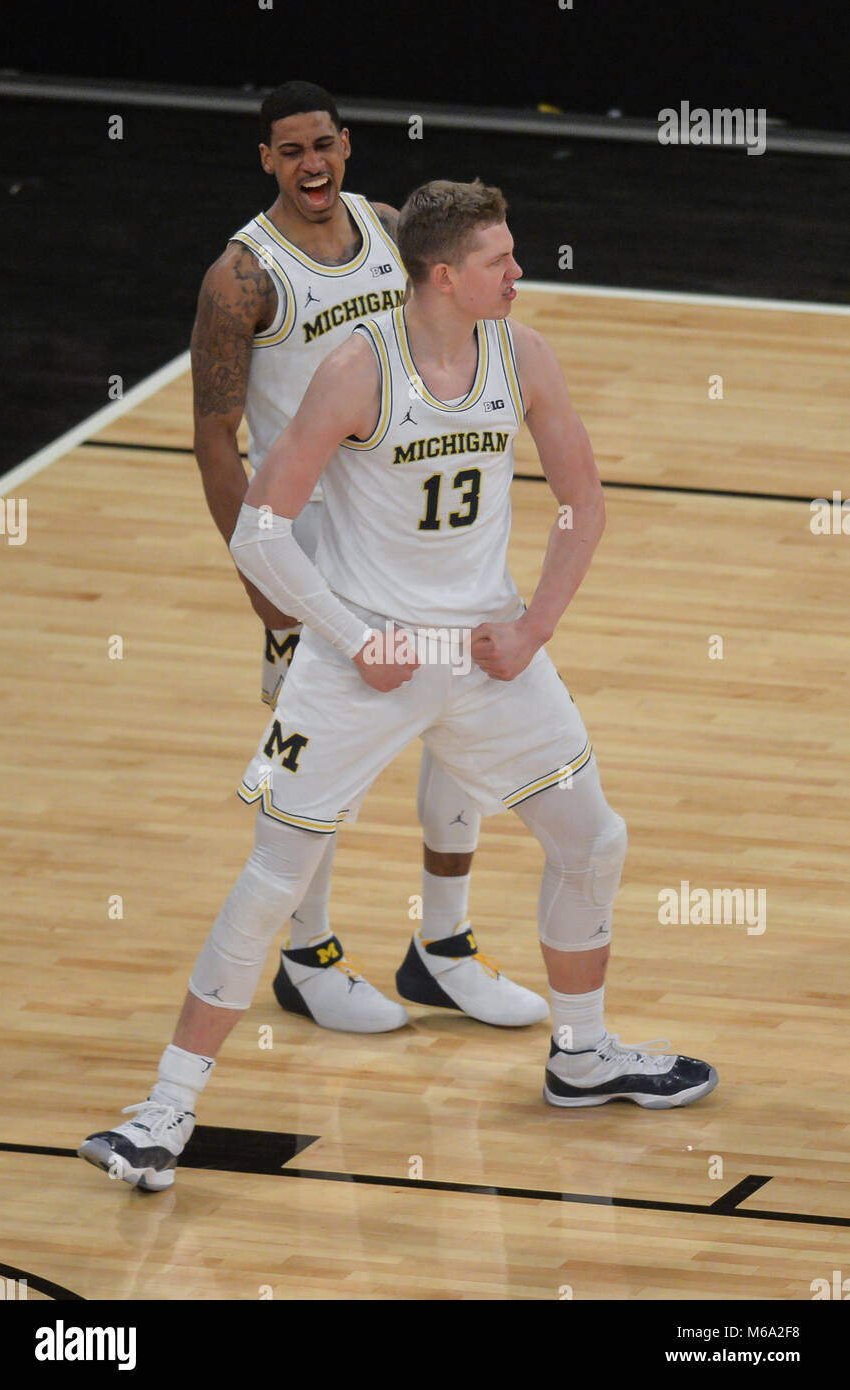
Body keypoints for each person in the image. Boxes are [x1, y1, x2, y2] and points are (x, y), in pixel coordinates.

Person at [79, 178, 717, 1192]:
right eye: (503, 260)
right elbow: (261, 530)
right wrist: (346, 633)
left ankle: (582, 1055)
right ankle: (163, 1110)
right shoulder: (356, 369)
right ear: (443, 275)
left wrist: (534, 623)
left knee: (592, 837)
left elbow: (582, 505)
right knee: (272, 880)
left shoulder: (525, 354)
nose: (521, 273)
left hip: (483, 656)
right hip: (358, 663)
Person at [187, 79, 546, 1034]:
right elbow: (216, 435)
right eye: (290, 151)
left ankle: (443, 944)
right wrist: (257, 578)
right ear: (266, 159)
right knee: (318, 778)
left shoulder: (392, 231)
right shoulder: (241, 278)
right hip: (314, 562)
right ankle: (307, 960)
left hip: (410, 544)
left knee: (463, 734)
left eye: (324, 146)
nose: (311, 165)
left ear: (346, 146)